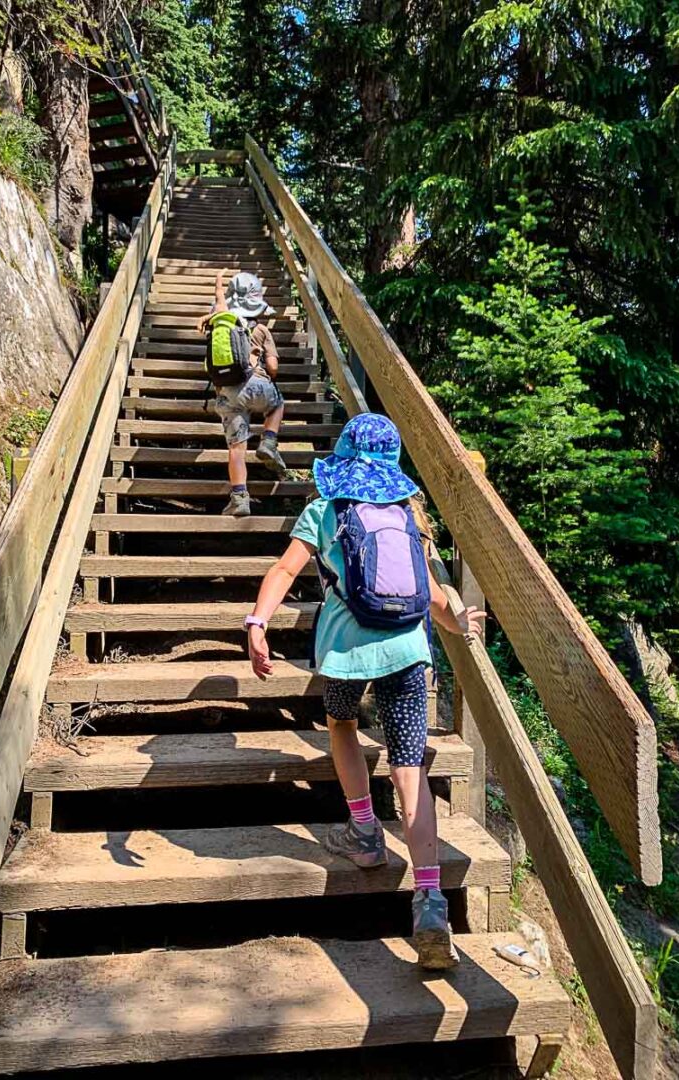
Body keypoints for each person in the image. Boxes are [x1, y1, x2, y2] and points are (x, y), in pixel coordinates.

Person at [243, 413, 486, 968]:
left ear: (345, 458)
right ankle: (430, 900)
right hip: (408, 652)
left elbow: (284, 570)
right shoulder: (407, 513)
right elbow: (430, 591)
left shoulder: (325, 510)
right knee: (409, 767)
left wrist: (258, 622)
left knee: (343, 725)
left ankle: (365, 831)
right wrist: (456, 623)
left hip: (346, 654)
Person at [197, 269, 287, 517]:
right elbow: (273, 368)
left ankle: (239, 499)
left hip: (227, 393)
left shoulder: (220, 323)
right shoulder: (262, 330)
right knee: (277, 404)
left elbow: (219, 300)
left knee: (237, 449)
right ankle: (269, 442)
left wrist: (218, 281)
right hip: (257, 385)